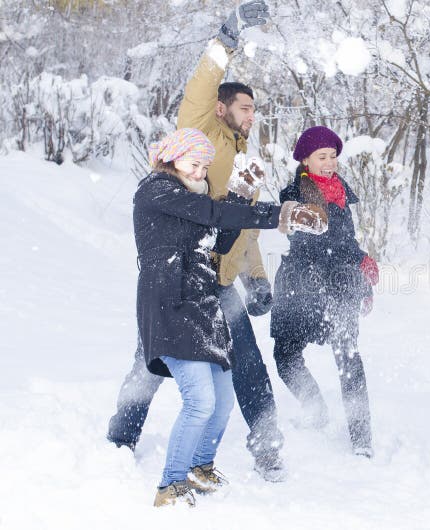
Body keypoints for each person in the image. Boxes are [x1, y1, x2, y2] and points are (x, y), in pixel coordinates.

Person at [107, 0, 290, 481]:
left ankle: (268, 447)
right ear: (221, 108)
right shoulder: (198, 132)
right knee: (152, 362)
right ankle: (121, 439)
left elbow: (244, 223)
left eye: (255, 108)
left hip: (218, 277)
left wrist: (256, 277)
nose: (252, 115)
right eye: (245, 107)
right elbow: (201, 82)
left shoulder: (244, 158)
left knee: (247, 363)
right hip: (179, 276)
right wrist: (227, 37)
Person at [137, 128, 326, 507]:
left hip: (204, 308)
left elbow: (221, 240)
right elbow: (212, 213)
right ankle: (170, 486)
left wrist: (239, 194)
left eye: (205, 166)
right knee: (200, 401)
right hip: (171, 308)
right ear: (172, 159)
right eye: (193, 164)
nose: (199, 172)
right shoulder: (156, 190)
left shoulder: (195, 199)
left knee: (222, 399)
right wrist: (281, 214)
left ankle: (199, 466)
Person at [270, 126, 378, 457]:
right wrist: (356, 260)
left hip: (340, 282)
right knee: (286, 354)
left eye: (333, 156)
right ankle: (316, 410)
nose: (330, 162)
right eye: (322, 157)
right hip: (300, 285)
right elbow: (315, 240)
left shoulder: (342, 191)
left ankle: (361, 438)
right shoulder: (294, 194)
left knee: (347, 356)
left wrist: (362, 270)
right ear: (305, 159)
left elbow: (343, 241)